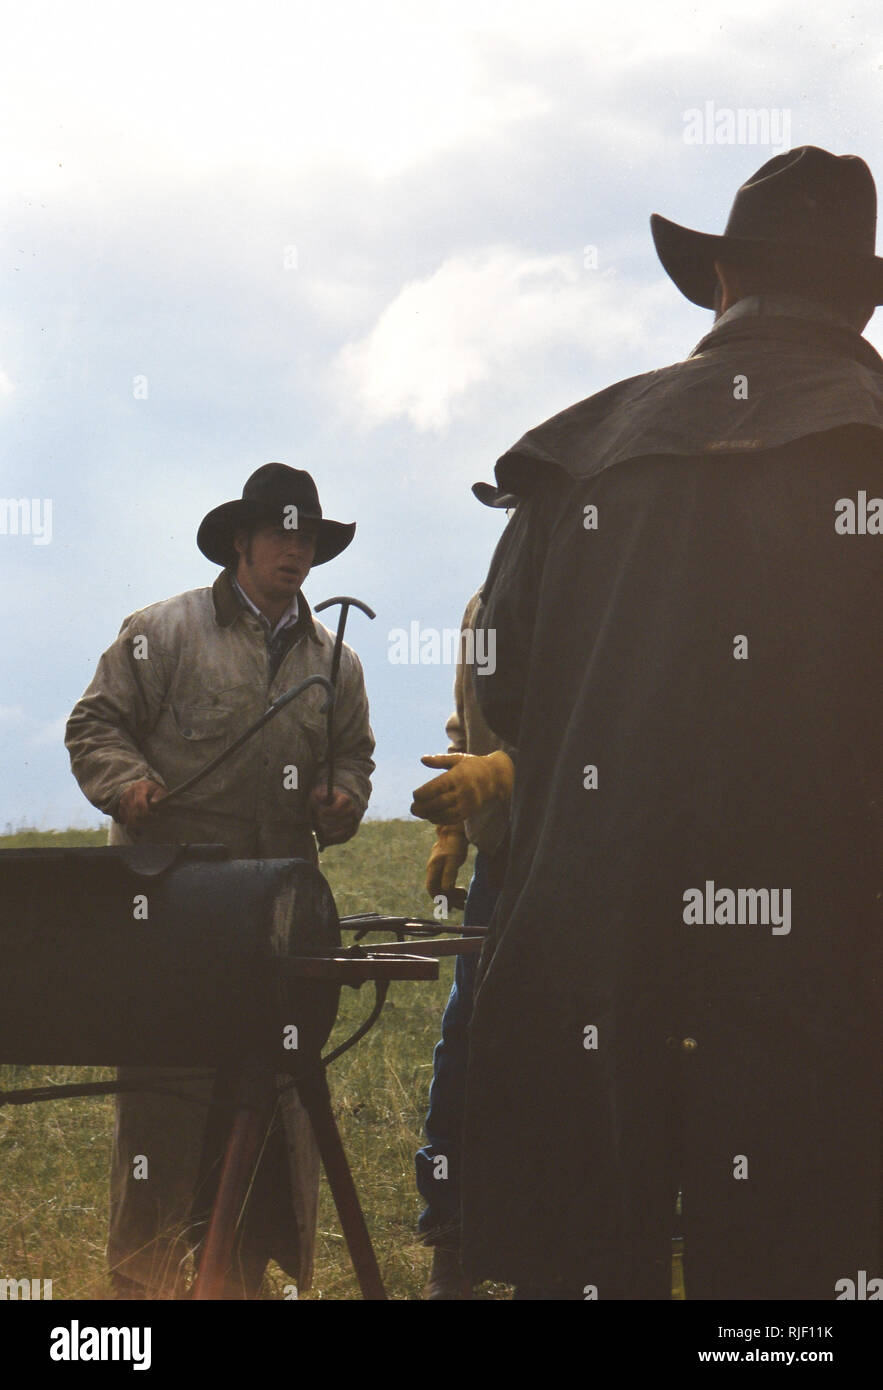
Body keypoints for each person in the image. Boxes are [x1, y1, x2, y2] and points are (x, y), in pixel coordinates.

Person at [461, 146, 883, 1299]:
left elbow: (499, 684)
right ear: (859, 298)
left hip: (591, 974)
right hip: (836, 985)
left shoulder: (579, 451)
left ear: (720, 285)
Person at [65, 462, 375, 1298]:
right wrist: (126, 782)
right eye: (279, 532)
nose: (294, 550)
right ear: (241, 540)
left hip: (275, 923)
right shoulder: (161, 633)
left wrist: (343, 799)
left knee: (270, 1097)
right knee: (169, 1099)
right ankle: (143, 1284)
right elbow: (94, 724)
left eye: (306, 536)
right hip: (169, 914)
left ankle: (243, 1273)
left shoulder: (333, 662)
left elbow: (353, 756)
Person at [409, 559, 515, 1299]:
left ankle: (550, 1241)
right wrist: (455, 823)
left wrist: (505, 773)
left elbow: (608, 725)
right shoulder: (485, 601)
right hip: (500, 860)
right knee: (466, 1036)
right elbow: (466, 718)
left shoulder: (593, 586)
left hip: (576, 859)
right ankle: (451, 1231)